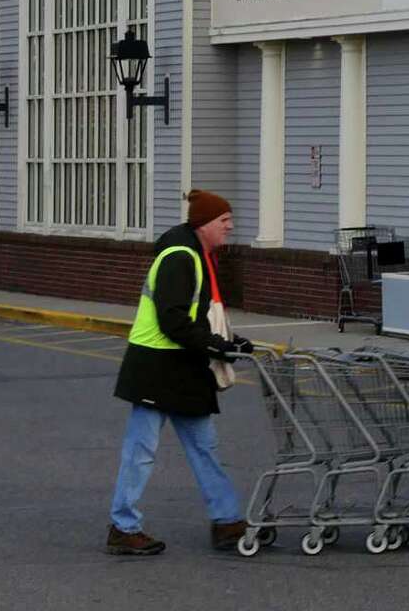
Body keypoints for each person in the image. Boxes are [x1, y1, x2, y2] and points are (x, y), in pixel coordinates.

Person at [105, 189, 255, 556]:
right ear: (204, 224)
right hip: (157, 365)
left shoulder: (197, 255)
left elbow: (193, 316)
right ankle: (123, 527)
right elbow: (172, 319)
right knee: (140, 450)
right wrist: (214, 345)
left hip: (181, 365)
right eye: (223, 221)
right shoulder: (180, 257)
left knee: (205, 447)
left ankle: (227, 521)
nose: (230, 227)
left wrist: (229, 340)